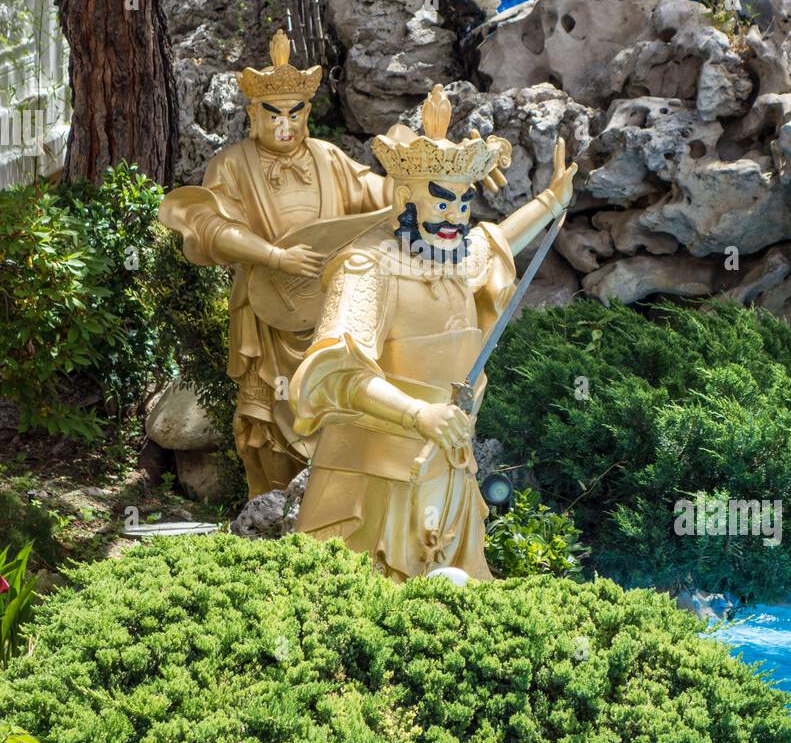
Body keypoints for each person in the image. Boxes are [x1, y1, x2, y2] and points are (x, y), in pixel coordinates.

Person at [287, 83, 577, 581]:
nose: (455, 219)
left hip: (448, 467)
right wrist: (418, 413)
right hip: (373, 472)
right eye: (441, 204)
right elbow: (335, 372)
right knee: (369, 608)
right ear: (405, 197)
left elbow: (498, 240)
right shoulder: (366, 267)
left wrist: (551, 201)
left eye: (463, 205)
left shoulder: (460, 258)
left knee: (450, 606)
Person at [159, 30, 390, 496]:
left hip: (333, 312)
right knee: (267, 421)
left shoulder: (330, 158)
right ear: (252, 115)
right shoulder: (232, 164)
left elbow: (382, 195)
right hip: (267, 315)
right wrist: (274, 255)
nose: (285, 123)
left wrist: (424, 178)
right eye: (273, 113)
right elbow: (207, 225)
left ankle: (335, 510)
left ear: (307, 113)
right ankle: (272, 514)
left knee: (338, 407)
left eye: (295, 112)